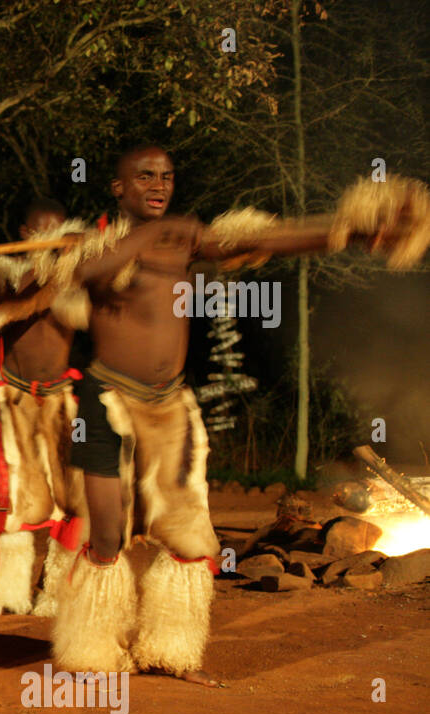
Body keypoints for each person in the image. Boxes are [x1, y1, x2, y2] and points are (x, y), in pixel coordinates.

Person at [46, 146, 428, 686]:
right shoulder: (97, 246)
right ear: (117, 187)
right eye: (145, 177)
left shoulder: (186, 238)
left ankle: (170, 652)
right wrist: (139, 238)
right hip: (107, 401)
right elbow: (86, 273)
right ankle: (91, 653)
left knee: (186, 536)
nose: (158, 184)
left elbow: (262, 239)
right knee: (107, 533)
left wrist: (347, 229)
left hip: (170, 407)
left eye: (167, 176)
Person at [0, 198, 89, 617]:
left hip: (59, 399)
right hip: (13, 398)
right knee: (11, 496)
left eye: (59, 232)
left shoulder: (77, 280)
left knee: (72, 497)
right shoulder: (8, 278)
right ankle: (4, 592)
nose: (53, 241)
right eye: (43, 234)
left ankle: (57, 590)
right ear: (23, 235)